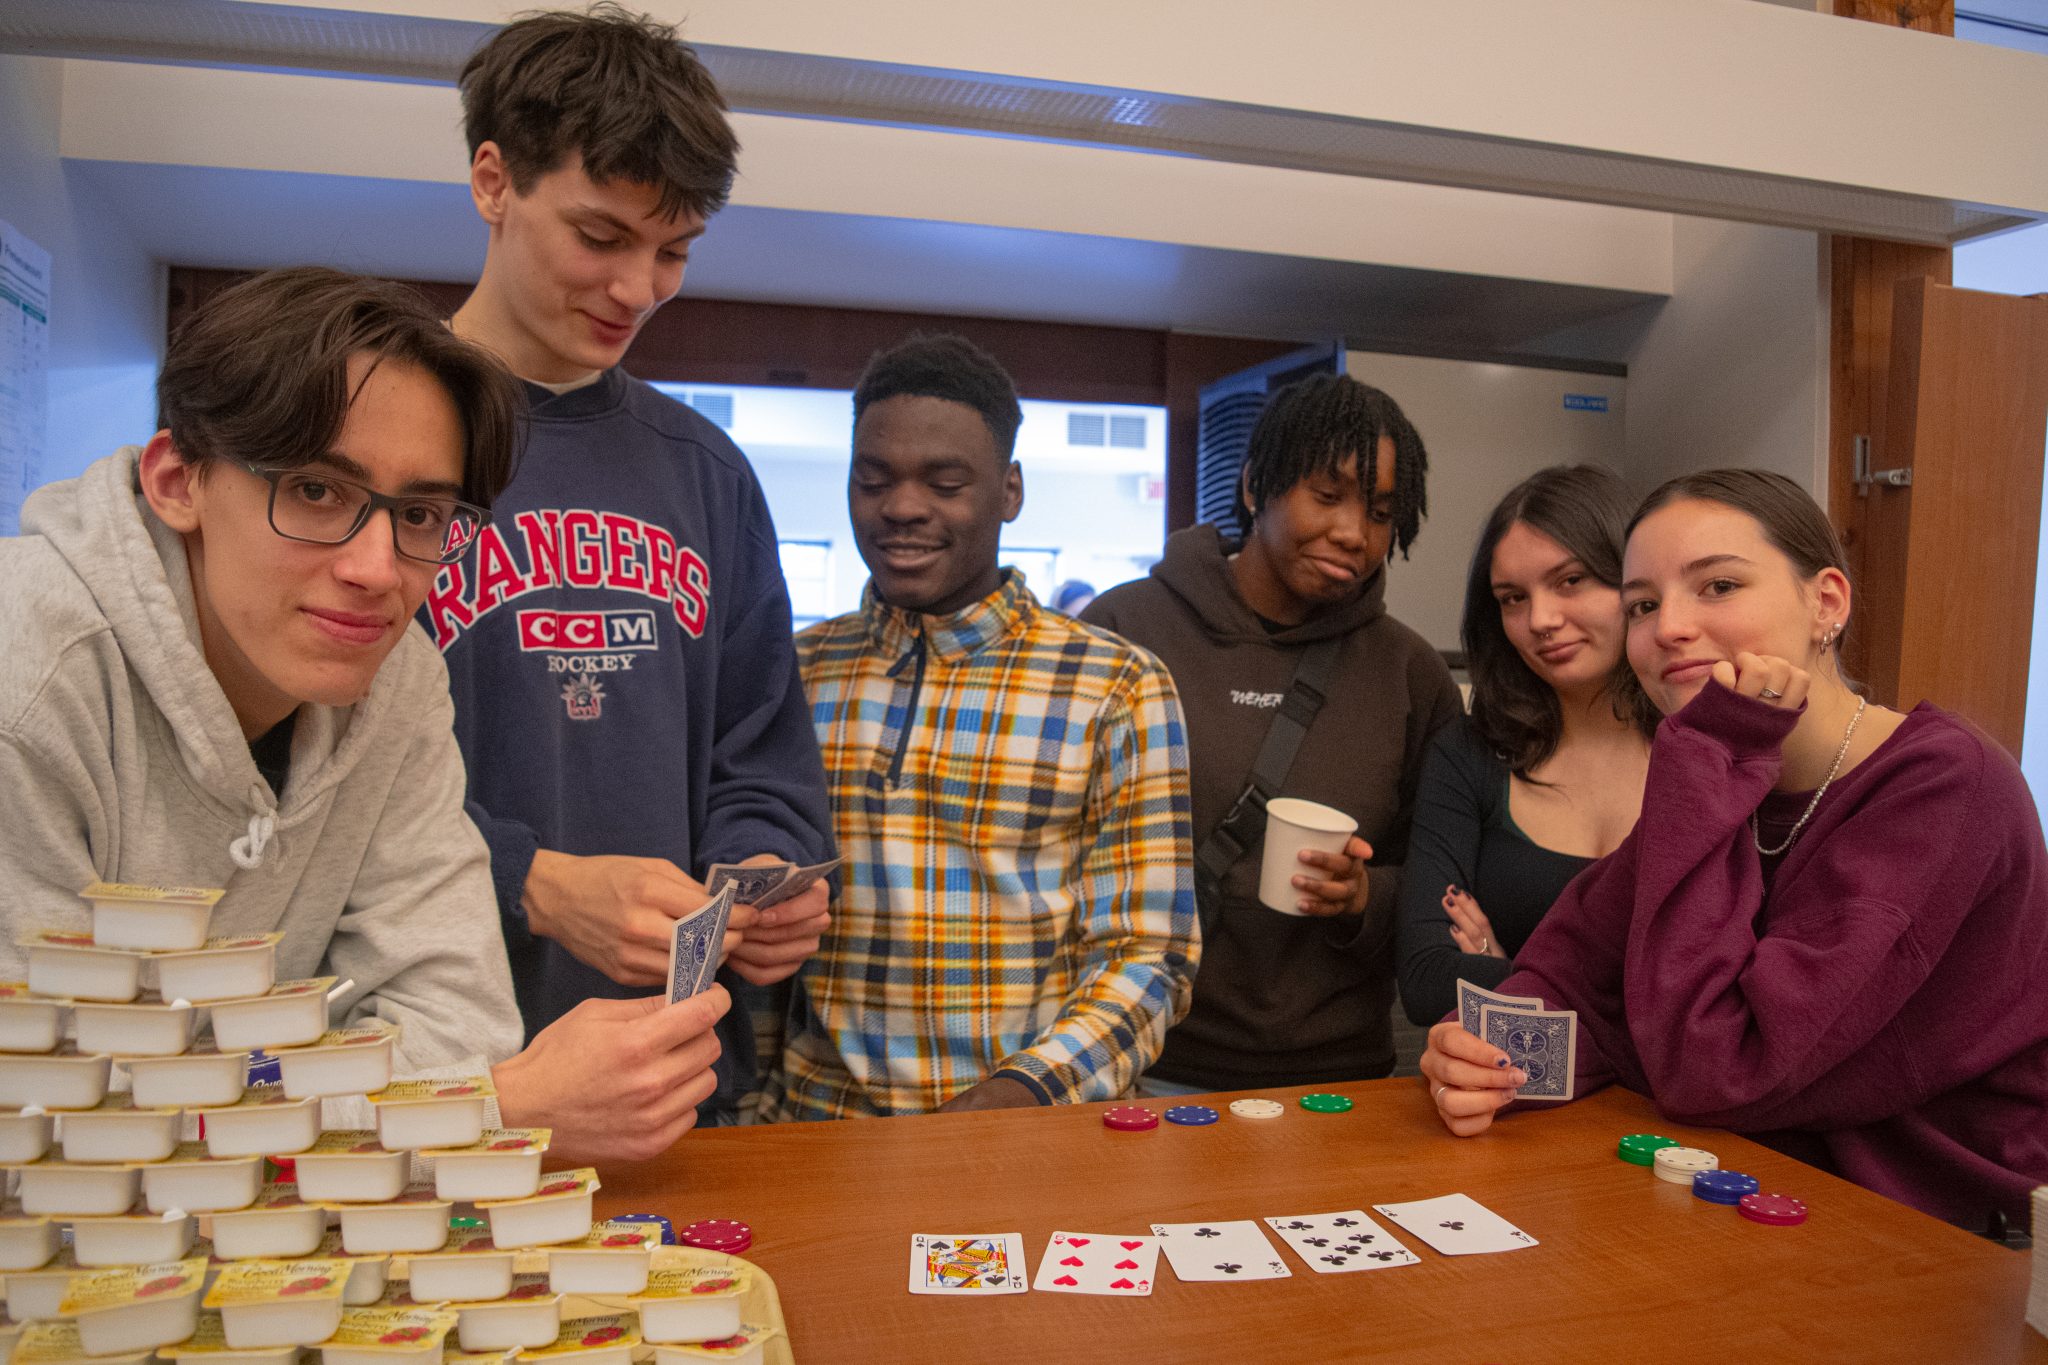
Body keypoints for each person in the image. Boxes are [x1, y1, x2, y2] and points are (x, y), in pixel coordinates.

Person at [0, 267, 731, 1161]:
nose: (377, 569)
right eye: (315, 491)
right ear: (177, 479)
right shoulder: (26, 683)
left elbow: (458, 1021)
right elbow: (41, 1121)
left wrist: (444, 1095)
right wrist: (490, 1107)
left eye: (420, 513)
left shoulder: (399, 681)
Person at [1420, 468, 2048, 1235]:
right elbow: (1570, 976)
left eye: (1717, 586)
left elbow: (1715, 1064)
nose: (1670, 628)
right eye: (1644, 604)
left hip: (1936, 1236)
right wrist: (1487, 1060)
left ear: (1827, 602)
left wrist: (1711, 751)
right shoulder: (1733, 771)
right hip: (1742, 1198)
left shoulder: (1945, 781)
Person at [432, 5, 834, 1129]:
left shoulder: (703, 469)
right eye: (601, 238)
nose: (639, 288)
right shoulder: (379, 433)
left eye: (673, 252)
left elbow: (758, 751)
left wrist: (763, 873)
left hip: (676, 1080)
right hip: (444, 1069)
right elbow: (312, 788)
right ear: (493, 179)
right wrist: (533, 879)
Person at [764, 334, 1199, 1118]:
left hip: (1032, 1130)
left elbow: (1149, 953)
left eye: (946, 481)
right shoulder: (794, 672)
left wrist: (1017, 1096)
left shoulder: (1118, 686)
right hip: (817, 1131)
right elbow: (762, 926)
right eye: (873, 478)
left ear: (1009, 490)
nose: (902, 506)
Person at [1084, 372, 1462, 1093]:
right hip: (1143, 1063)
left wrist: (1364, 895)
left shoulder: (1410, 672)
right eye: (1327, 495)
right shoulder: (1123, 630)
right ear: (1257, 486)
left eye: (1381, 512)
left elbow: (1447, 881)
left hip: (1339, 1075)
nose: (1353, 532)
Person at [1396, 465, 1655, 1025]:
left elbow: (1720, 992)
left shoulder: (1709, 749)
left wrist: (1511, 969)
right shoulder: (1469, 752)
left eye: (1570, 581)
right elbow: (1423, 979)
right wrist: (1614, 994)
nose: (1540, 620)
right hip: (1514, 1098)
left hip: (1682, 1107)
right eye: (1512, 598)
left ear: (1637, 582)